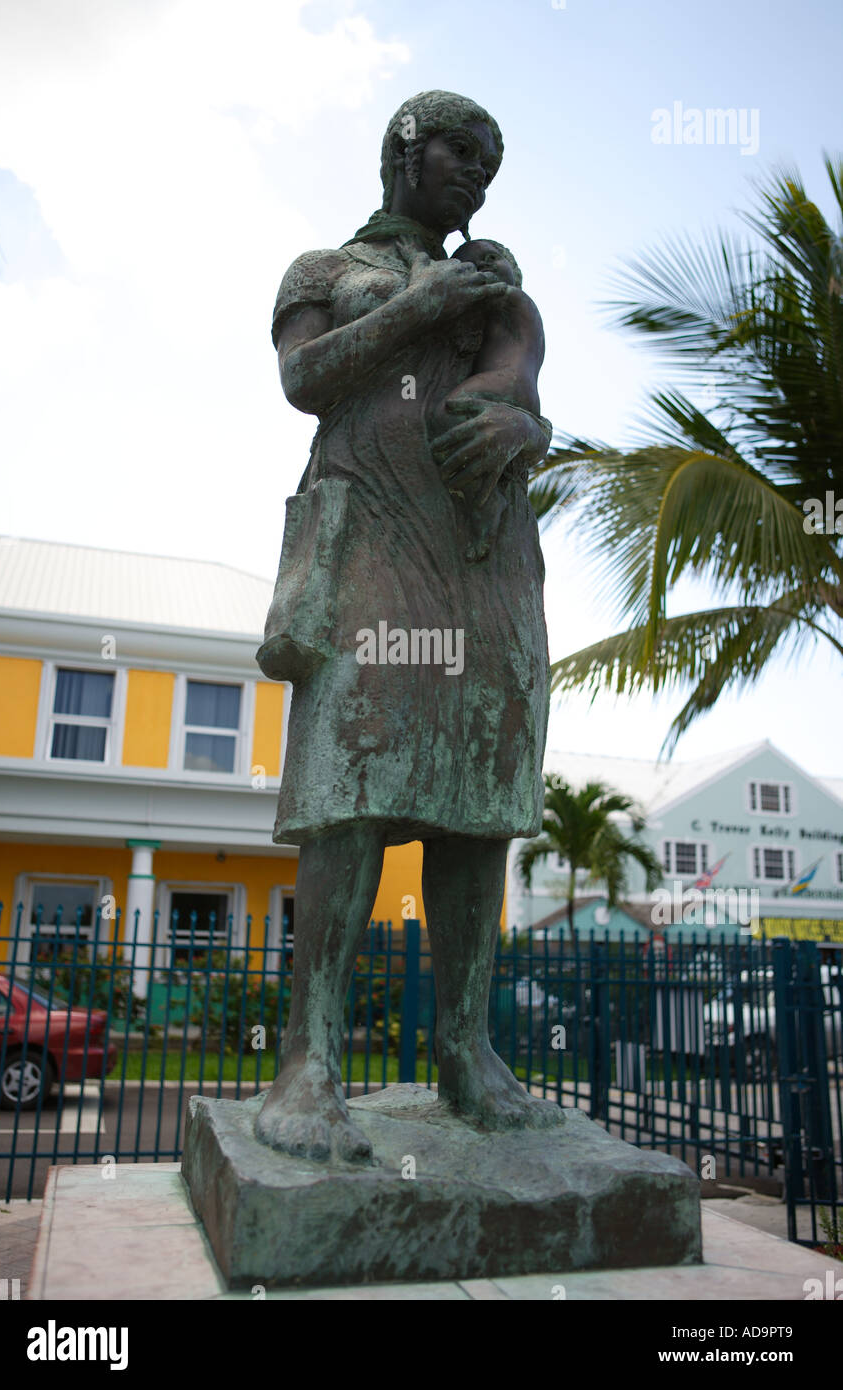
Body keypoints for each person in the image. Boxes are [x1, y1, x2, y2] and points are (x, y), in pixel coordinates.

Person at [255, 91, 561, 1163]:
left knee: (479, 801)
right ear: (403, 149)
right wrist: (422, 306)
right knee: (349, 784)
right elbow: (306, 379)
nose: (475, 173)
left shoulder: (498, 292)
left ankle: (466, 1050)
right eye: (459, 150)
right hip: (373, 538)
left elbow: (522, 389)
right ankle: (309, 1059)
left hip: (485, 553)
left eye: (489, 161)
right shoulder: (324, 270)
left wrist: (522, 419)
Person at [436, 237, 545, 561]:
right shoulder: (509, 308)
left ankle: (486, 504)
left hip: (506, 384)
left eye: (492, 258)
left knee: (445, 415)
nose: (482, 266)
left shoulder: (509, 297)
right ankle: (482, 498)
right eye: (470, 264)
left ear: (514, 270)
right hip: (518, 392)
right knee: (475, 442)